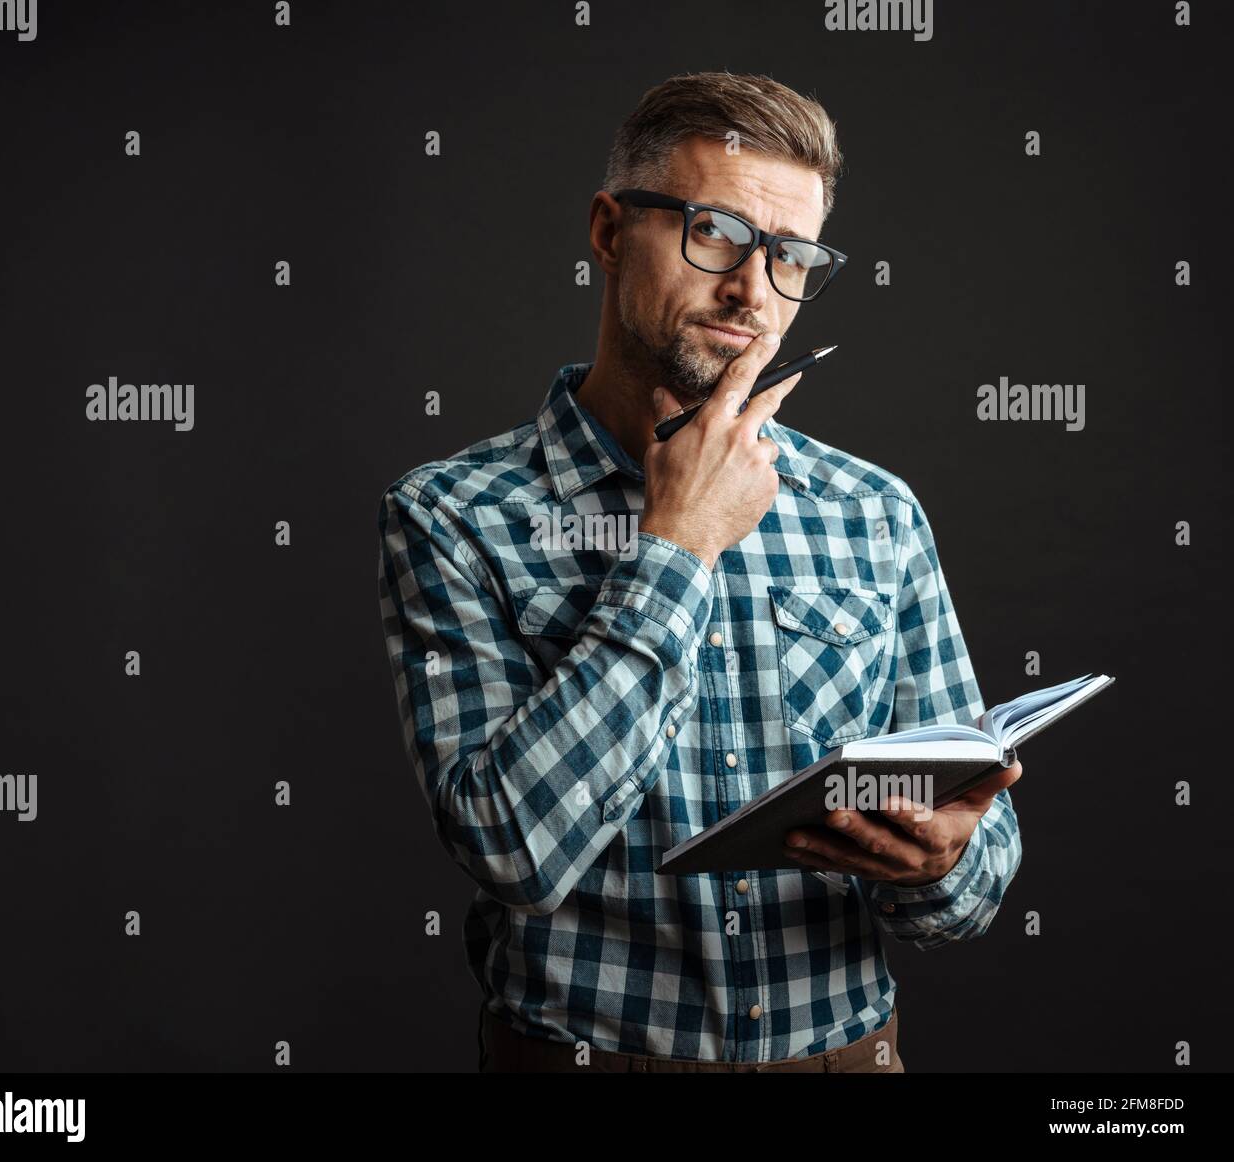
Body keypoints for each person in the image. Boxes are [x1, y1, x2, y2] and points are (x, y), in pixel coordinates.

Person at [377, 71, 1022, 1073]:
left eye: (791, 257)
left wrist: (939, 862)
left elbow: (975, 890)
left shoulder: (872, 513)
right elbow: (512, 847)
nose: (752, 291)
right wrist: (677, 541)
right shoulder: (456, 514)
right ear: (605, 231)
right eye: (714, 232)